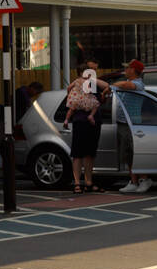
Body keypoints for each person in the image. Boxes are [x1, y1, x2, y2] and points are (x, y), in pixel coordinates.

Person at [63, 59, 109, 194]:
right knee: (78, 153)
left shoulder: (93, 83)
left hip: (94, 121)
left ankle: (88, 182)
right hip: (80, 120)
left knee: (90, 153)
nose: (93, 71)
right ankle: (77, 183)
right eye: (91, 69)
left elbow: (107, 86)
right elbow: (70, 94)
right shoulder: (78, 83)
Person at [112, 59, 151, 193]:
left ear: (133, 70)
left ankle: (144, 179)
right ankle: (133, 181)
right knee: (128, 155)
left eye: (127, 68)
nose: (125, 70)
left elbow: (124, 85)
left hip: (132, 124)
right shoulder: (127, 83)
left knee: (135, 154)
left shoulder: (138, 84)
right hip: (123, 124)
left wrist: (113, 85)